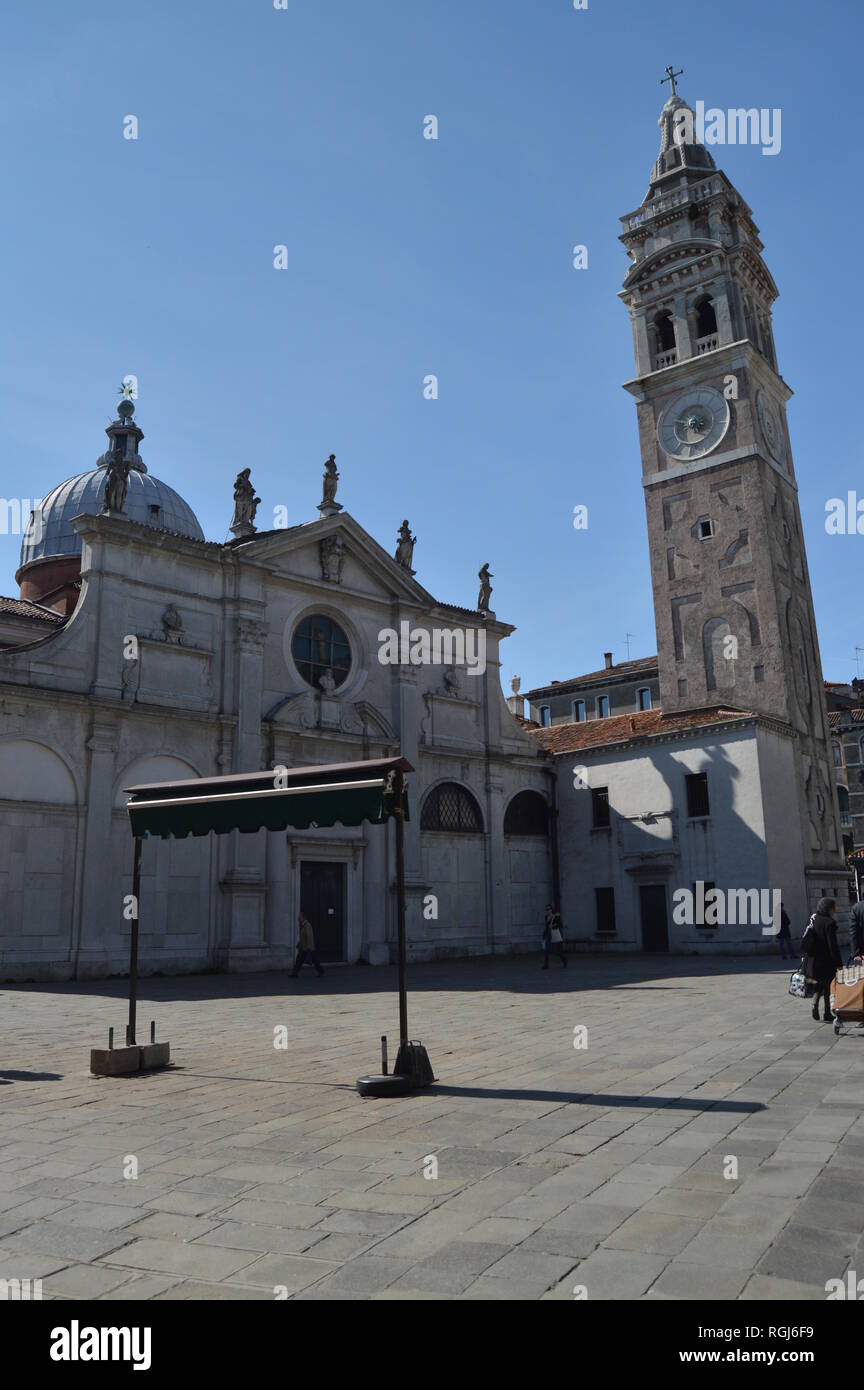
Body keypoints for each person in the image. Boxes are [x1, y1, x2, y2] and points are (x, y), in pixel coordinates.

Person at [802, 897, 842, 1022]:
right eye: (833, 908)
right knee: (828, 986)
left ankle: (814, 1005)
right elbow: (833, 946)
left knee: (818, 985)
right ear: (829, 908)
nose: (834, 910)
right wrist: (839, 963)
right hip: (825, 961)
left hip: (812, 960)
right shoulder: (829, 923)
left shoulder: (814, 919)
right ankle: (827, 1013)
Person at [290, 912, 324, 979]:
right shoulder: (303, 925)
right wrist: (299, 944)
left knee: (314, 960)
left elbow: (309, 936)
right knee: (299, 960)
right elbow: (303, 937)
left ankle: (321, 971)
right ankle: (294, 973)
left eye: (299, 917)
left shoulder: (307, 925)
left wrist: (309, 946)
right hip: (303, 947)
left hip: (308, 947)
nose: (298, 918)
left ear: (303, 918)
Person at [542, 904, 567, 969]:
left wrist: (553, 926)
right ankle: (546, 965)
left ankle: (564, 960)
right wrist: (544, 935)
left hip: (555, 933)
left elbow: (560, 924)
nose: (548, 910)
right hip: (548, 934)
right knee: (546, 950)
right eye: (547, 909)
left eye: (549, 909)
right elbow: (546, 927)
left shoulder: (556, 916)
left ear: (551, 909)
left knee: (556, 951)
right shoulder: (546, 917)